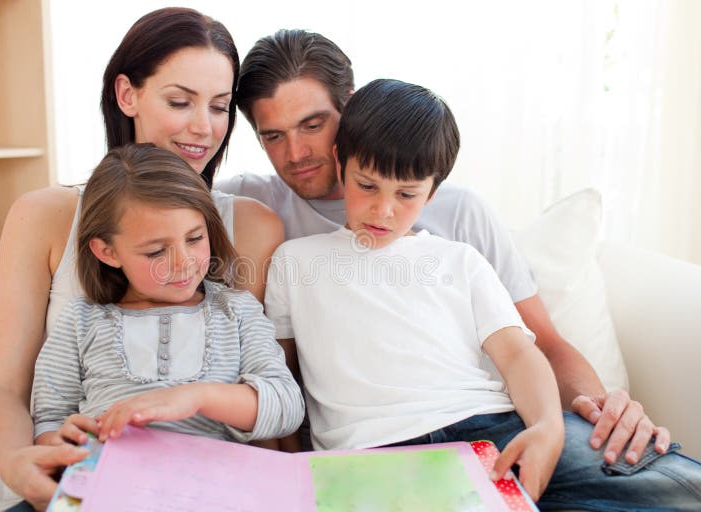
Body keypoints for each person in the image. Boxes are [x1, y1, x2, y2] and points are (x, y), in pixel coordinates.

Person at [217, 28, 670, 465]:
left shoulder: (458, 214)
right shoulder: (253, 208)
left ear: (351, 110)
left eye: (312, 125)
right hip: (372, 444)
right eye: (272, 136)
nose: (294, 154)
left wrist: (603, 412)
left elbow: (541, 345)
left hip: (484, 421)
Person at [265, 78, 701, 509]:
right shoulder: (294, 260)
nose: (384, 210)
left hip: (495, 431)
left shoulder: (462, 260)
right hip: (373, 456)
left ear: (433, 192)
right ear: (341, 163)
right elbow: (278, 380)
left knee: (682, 488)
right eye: (367, 186)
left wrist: (548, 427)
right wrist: (283, 474)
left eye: (407, 194)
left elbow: (517, 354)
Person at [0, 8, 284, 511]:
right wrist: (17, 458)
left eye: (220, 107)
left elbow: (265, 394)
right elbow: (2, 390)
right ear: (127, 94)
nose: (203, 128)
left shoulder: (250, 225)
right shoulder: (45, 215)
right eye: (181, 101)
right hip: (73, 483)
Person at [33, 143, 303, 453]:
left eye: (195, 238)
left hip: (210, 487)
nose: (184, 262)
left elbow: (286, 406)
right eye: (156, 251)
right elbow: (49, 417)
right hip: (111, 483)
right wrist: (59, 439)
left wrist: (196, 397)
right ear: (107, 252)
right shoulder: (80, 319)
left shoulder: (237, 312)